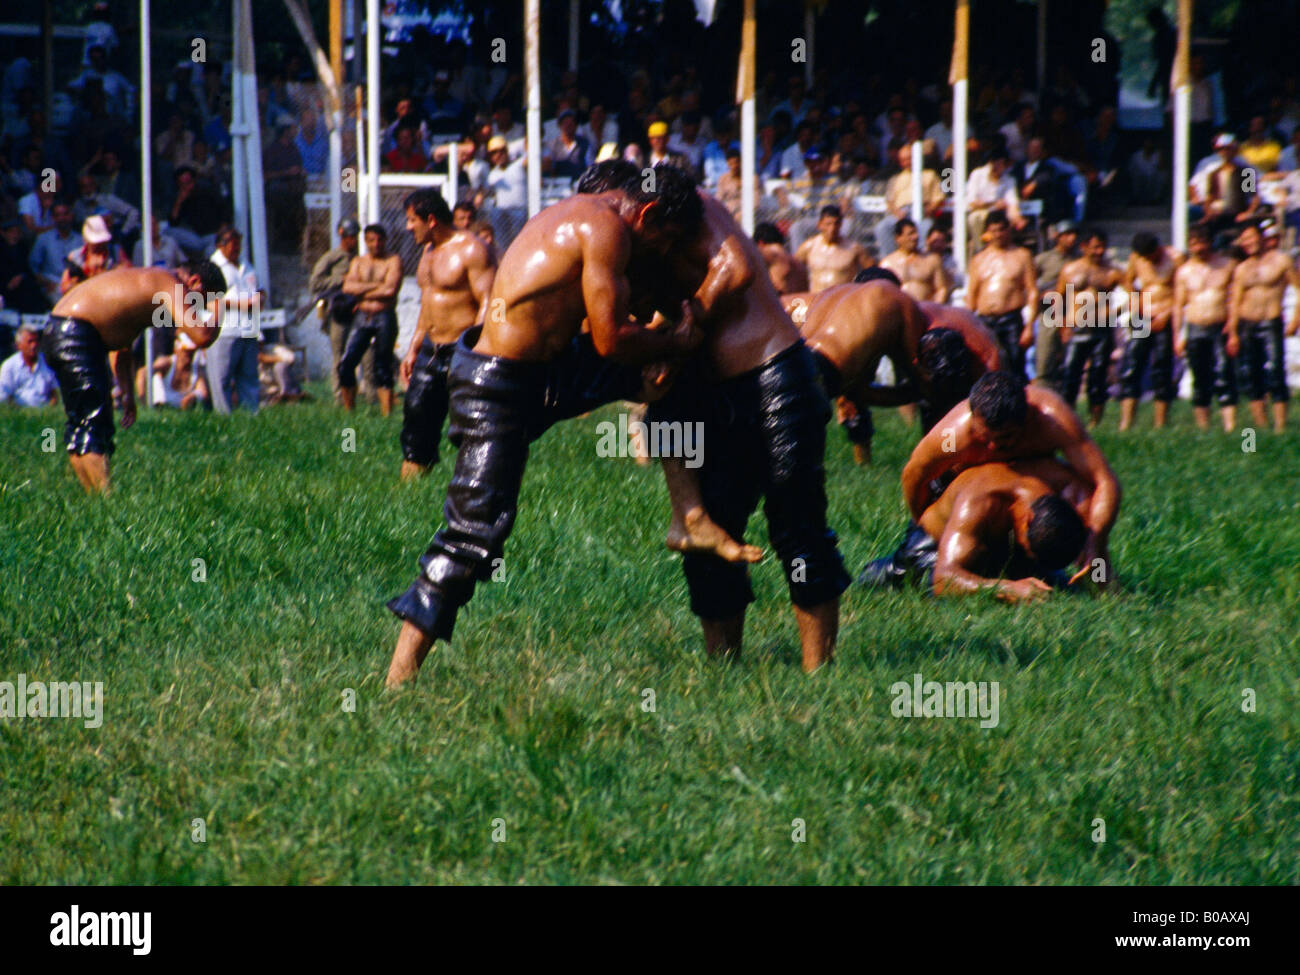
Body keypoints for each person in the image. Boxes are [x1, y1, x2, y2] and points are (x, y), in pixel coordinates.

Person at [385, 164, 706, 687]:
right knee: (475, 532)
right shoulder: (604, 230)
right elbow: (609, 341)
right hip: (495, 385)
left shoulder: (593, 217)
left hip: (544, 369)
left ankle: (690, 514)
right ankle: (396, 681)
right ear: (645, 214)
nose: (663, 253)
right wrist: (675, 341)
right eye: (665, 240)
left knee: (667, 378)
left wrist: (672, 345)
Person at [895, 371, 1121, 589]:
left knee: (1084, 498)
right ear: (974, 418)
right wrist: (922, 521)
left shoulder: (1052, 423)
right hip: (962, 508)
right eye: (984, 438)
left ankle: (1102, 582)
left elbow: (1104, 482)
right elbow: (915, 474)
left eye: (1005, 438)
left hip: (1015, 513)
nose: (993, 447)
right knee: (923, 568)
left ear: (1026, 420)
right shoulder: (953, 438)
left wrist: (1094, 540)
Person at [42, 263, 226, 492]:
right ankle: (106, 505)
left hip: (62, 331)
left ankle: (95, 502)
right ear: (195, 282)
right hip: (75, 332)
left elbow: (122, 349)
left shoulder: (147, 283)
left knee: (83, 426)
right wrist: (220, 303)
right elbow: (202, 335)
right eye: (201, 301)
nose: (196, 308)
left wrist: (128, 394)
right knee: (93, 425)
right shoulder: (170, 283)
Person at [398, 190, 496, 479]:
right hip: (430, 350)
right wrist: (414, 346)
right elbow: (427, 302)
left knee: (470, 427)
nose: (407, 227)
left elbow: (490, 303)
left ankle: (477, 487)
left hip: (463, 350)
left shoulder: (472, 249)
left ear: (430, 220)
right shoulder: (427, 252)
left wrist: (474, 353)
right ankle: (411, 489)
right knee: (416, 418)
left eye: (411, 220)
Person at [924, 459, 1093, 601]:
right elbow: (941, 580)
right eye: (1027, 550)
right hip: (931, 546)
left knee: (1064, 588)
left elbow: (1103, 486)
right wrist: (1008, 588)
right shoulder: (980, 502)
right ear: (1026, 521)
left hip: (992, 548)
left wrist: (1098, 561)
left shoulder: (1054, 485)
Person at [1228, 223, 1299, 433]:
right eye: (1244, 240)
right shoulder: (1241, 268)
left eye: (1251, 237)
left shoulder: (1281, 261)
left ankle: (1280, 428)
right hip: (1247, 325)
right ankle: (1261, 426)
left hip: (1271, 322)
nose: (1248, 243)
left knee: (1276, 372)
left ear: (1261, 237)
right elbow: (1235, 301)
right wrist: (1232, 332)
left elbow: (1298, 289)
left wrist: (1296, 319)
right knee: (1252, 375)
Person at [1172, 224, 1239, 431]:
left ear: (1210, 242)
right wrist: (1177, 335)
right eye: (1193, 243)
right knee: (1199, 378)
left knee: (1224, 374)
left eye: (1202, 242)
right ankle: (1203, 428)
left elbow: (1234, 300)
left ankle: (1230, 426)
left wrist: (1233, 330)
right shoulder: (1184, 272)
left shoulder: (1227, 265)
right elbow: (1179, 305)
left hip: (1219, 326)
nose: (1198, 247)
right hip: (1195, 327)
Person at [1057, 228, 1123, 426]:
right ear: (1084, 247)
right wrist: (1062, 326)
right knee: (1070, 377)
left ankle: (1095, 423)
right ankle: (1067, 421)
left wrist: (1116, 312)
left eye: (1102, 247)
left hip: (1101, 329)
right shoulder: (1070, 270)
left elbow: (1135, 295)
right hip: (1077, 328)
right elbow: (1059, 298)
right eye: (1095, 247)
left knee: (1098, 377)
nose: (1099, 251)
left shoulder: (1112, 271)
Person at [1118, 232, 1181, 431]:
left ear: (1159, 248)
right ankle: (1126, 422)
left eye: (1151, 256)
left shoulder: (1176, 258)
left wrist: (1167, 314)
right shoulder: (1136, 258)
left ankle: (1160, 423)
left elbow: (1182, 292)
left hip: (1165, 316)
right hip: (1142, 316)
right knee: (1132, 367)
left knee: (1162, 369)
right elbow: (1127, 280)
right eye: (1145, 257)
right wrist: (1134, 300)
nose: (1149, 261)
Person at [337, 224, 401, 415]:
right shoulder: (358, 261)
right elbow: (348, 287)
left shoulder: (393, 260)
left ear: (385, 240)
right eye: (372, 240)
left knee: (383, 364)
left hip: (384, 315)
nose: (376, 244)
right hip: (362, 316)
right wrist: (377, 286)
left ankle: (386, 413)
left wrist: (362, 289)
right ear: (365, 242)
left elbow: (390, 290)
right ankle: (350, 413)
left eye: (380, 240)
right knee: (347, 363)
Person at [967, 210, 1037, 378]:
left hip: (1011, 319)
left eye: (1001, 230)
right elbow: (971, 295)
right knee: (984, 368)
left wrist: (1029, 327)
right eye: (993, 230)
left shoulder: (1022, 255)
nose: (997, 234)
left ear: (1008, 230)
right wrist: (969, 325)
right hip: (985, 320)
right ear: (987, 233)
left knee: (1015, 367)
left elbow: (1032, 291)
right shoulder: (979, 259)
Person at [310, 218, 372, 403]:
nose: (352, 240)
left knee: (367, 351)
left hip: (358, 309)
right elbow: (315, 283)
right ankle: (339, 395)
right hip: (338, 310)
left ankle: (370, 393)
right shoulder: (332, 257)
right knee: (339, 354)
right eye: (349, 236)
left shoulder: (360, 259)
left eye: (355, 236)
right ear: (342, 236)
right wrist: (340, 279)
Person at [206, 227, 263, 415]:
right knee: (221, 379)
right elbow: (208, 299)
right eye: (232, 246)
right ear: (220, 246)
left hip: (248, 329)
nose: (236, 250)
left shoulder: (246, 264)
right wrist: (242, 305)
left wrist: (261, 297)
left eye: (238, 246)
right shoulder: (212, 267)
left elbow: (259, 288)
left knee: (249, 378)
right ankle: (224, 419)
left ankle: (251, 417)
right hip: (225, 330)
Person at [1030, 220, 1078, 392]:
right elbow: (1030, 285)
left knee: (1069, 362)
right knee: (1045, 359)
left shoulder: (1078, 259)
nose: (1072, 238)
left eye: (1074, 234)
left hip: (1072, 312)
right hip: (1049, 312)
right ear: (1058, 236)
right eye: (1067, 234)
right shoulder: (1044, 259)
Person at [794, 205, 872, 292]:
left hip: (841, 300)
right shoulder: (808, 247)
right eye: (828, 224)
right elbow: (793, 272)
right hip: (815, 299)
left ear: (841, 225)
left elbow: (873, 274)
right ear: (820, 225)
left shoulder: (854, 249)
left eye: (836, 224)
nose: (832, 228)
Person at [881, 218, 949, 303]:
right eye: (910, 234)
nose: (915, 237)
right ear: (898, 238)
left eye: (916, 233)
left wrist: (936, 309)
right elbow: (883, 292)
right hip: (899, 312)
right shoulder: (887, 264)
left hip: (925, 311)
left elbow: (941, 289)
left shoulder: (932, 260)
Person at [0, 324, 58, 407]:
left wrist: (50, 409)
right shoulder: (9, 366)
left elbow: (54, 393)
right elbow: (5, 396)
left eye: (36, 341)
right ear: (18, 345)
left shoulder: (47, 363)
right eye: (30, 341)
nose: (34, 345)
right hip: (19, 414)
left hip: (44, 414)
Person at [150, 330, 207, 409]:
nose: (188, 356)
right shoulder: (166, 363)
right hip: (163, 407)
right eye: (185, 352)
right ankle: (158, 406)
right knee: (156, 376)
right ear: (176, 349)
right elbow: (143, 373)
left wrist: (194, 396)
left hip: (185, 410)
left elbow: (203, 392)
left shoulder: (197, 369)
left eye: (191, 352)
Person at [753, 222, 807, 294]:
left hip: (782, 302)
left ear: (760, 243)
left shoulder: (772, 252)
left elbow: (747, 255)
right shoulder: (795, 260)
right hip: (799, 301)